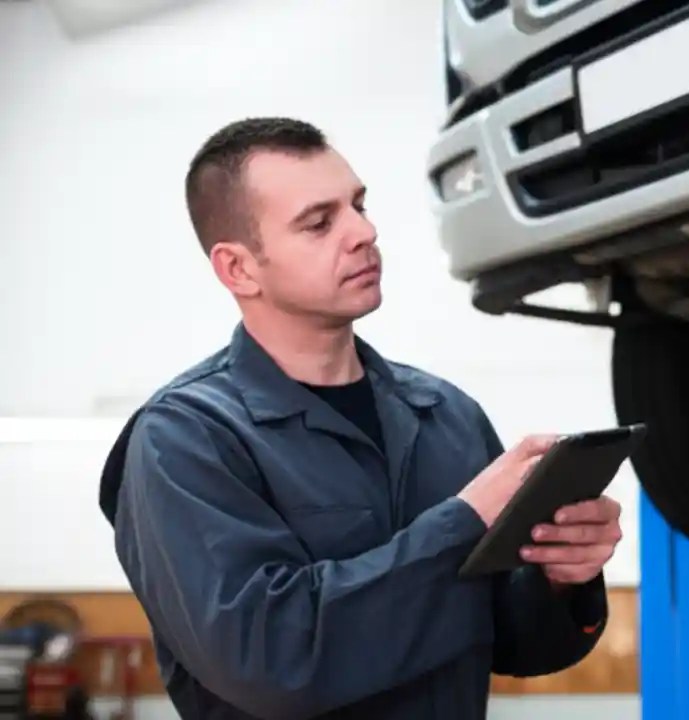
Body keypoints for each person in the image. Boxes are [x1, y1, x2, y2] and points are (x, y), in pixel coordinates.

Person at [96, 117, 621, 720]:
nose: (364, 233)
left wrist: (560, 578)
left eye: (359, 206)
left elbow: (513, 642)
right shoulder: (185, 439)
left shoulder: (446, 415)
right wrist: (464, 523)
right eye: (319, 223)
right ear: (238, 268)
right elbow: (270, 659)